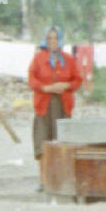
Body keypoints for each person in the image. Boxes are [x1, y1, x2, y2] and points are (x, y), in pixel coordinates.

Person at [27, 25, 83, 163]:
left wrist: (66, 85)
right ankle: (44, 181)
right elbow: (31, 80)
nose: (53, 41)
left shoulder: (69, 59)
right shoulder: (38, 58)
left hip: (63, 106)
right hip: (43, 106)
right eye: (49, 38)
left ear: (61, 40)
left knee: (63, 142)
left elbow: (78, 80)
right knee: (43, 143)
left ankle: (62, 178)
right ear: (45, 40)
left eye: (56, 38)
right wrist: (45, 88)